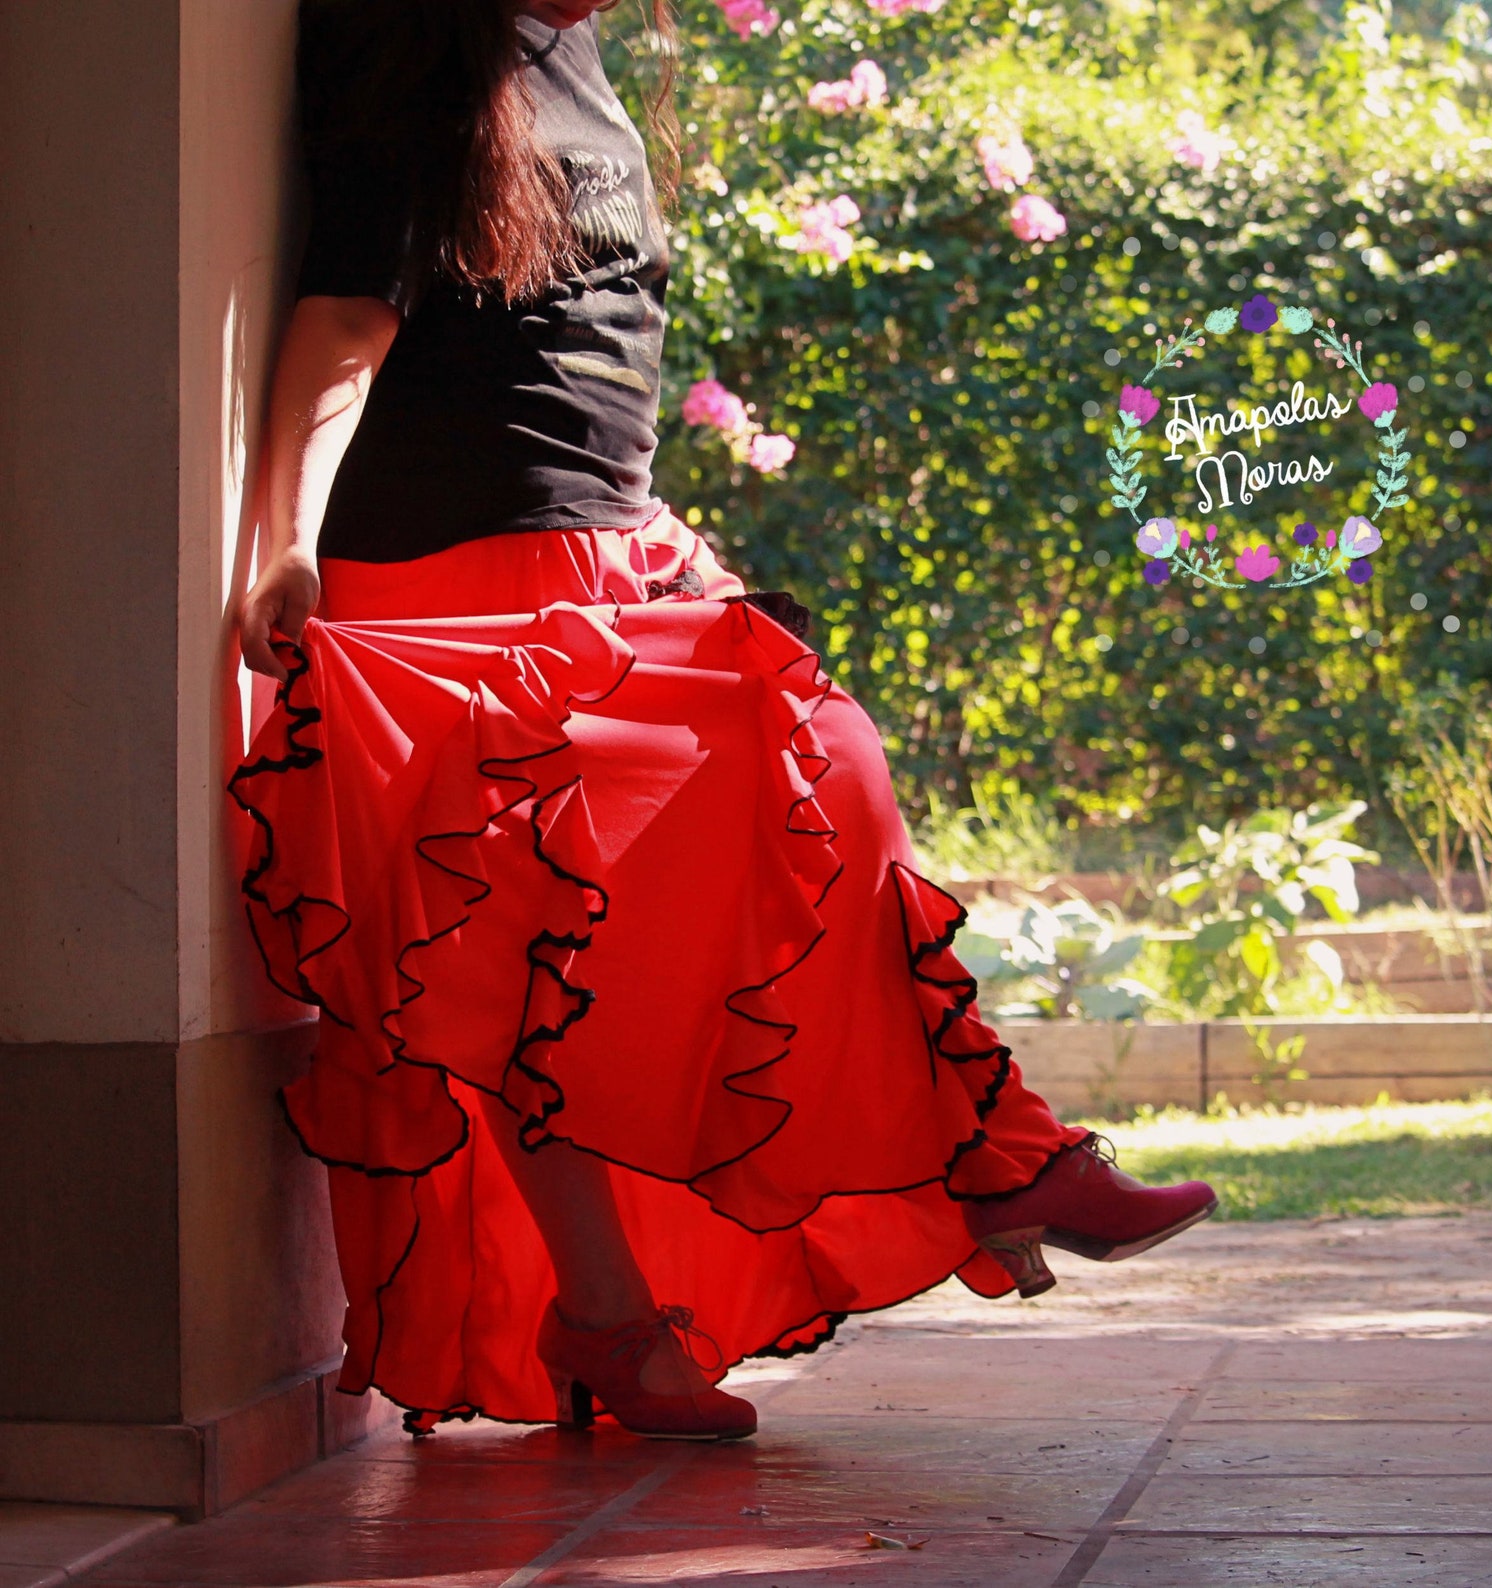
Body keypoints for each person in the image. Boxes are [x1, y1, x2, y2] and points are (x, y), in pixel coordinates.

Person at [232, 0, 1216, 1443]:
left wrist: (649, 527)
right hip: (456, 580)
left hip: (603, 550)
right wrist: (281, 539)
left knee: (801, 791)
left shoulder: (567, 51)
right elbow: (345, 310)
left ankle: (968, 1166)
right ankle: (651, 1307)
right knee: (515, 963)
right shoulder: (414, 44)